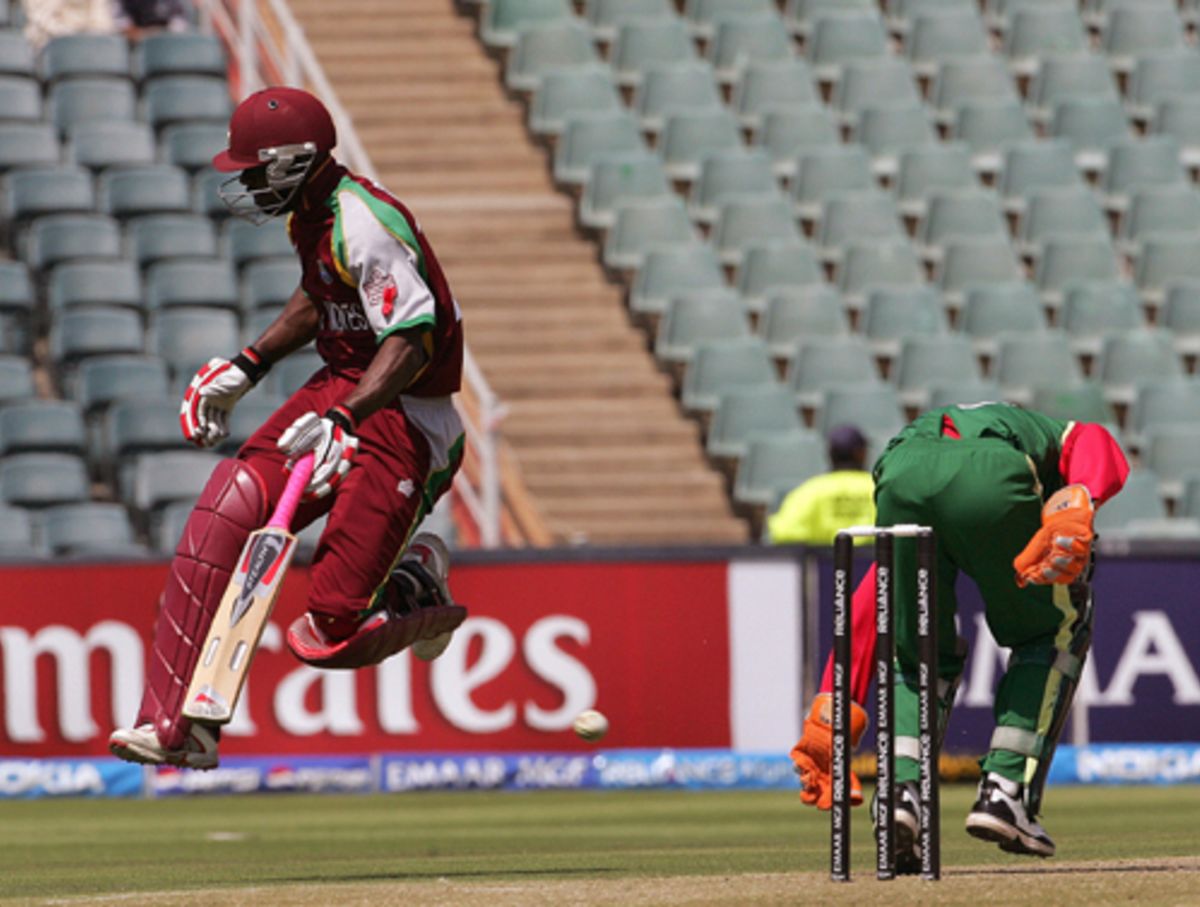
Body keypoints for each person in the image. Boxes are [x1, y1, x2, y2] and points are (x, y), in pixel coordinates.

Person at [109, 86, 467, 770]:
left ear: (293, 160)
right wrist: (248, 365)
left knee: (326, 631)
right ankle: (173, 725)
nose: (244, 180)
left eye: (253, 167)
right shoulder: (311, 216)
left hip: (406, 414)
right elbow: (321, 292)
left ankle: (417, 582)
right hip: (342, 388)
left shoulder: (364, 218)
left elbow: (413, 340)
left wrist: (345, 419)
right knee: (227, 505)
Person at [787, 402, 1128, 868]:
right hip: (991, 475)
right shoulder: (1048, 437)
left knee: (913, 648)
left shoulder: (943, 433)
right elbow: (1093, 438)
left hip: (900, 471)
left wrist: (834, 700)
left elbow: (872, 596)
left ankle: (900, 795)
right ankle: (1007, 791)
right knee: (1053, 632)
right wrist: (1082, 496)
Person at [767, 424, 875, 546]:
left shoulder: (810, 491)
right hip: (873, 562)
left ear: (830, 454)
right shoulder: (877, 488)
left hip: (820, 563)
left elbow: (783, 533)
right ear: (861, 453)